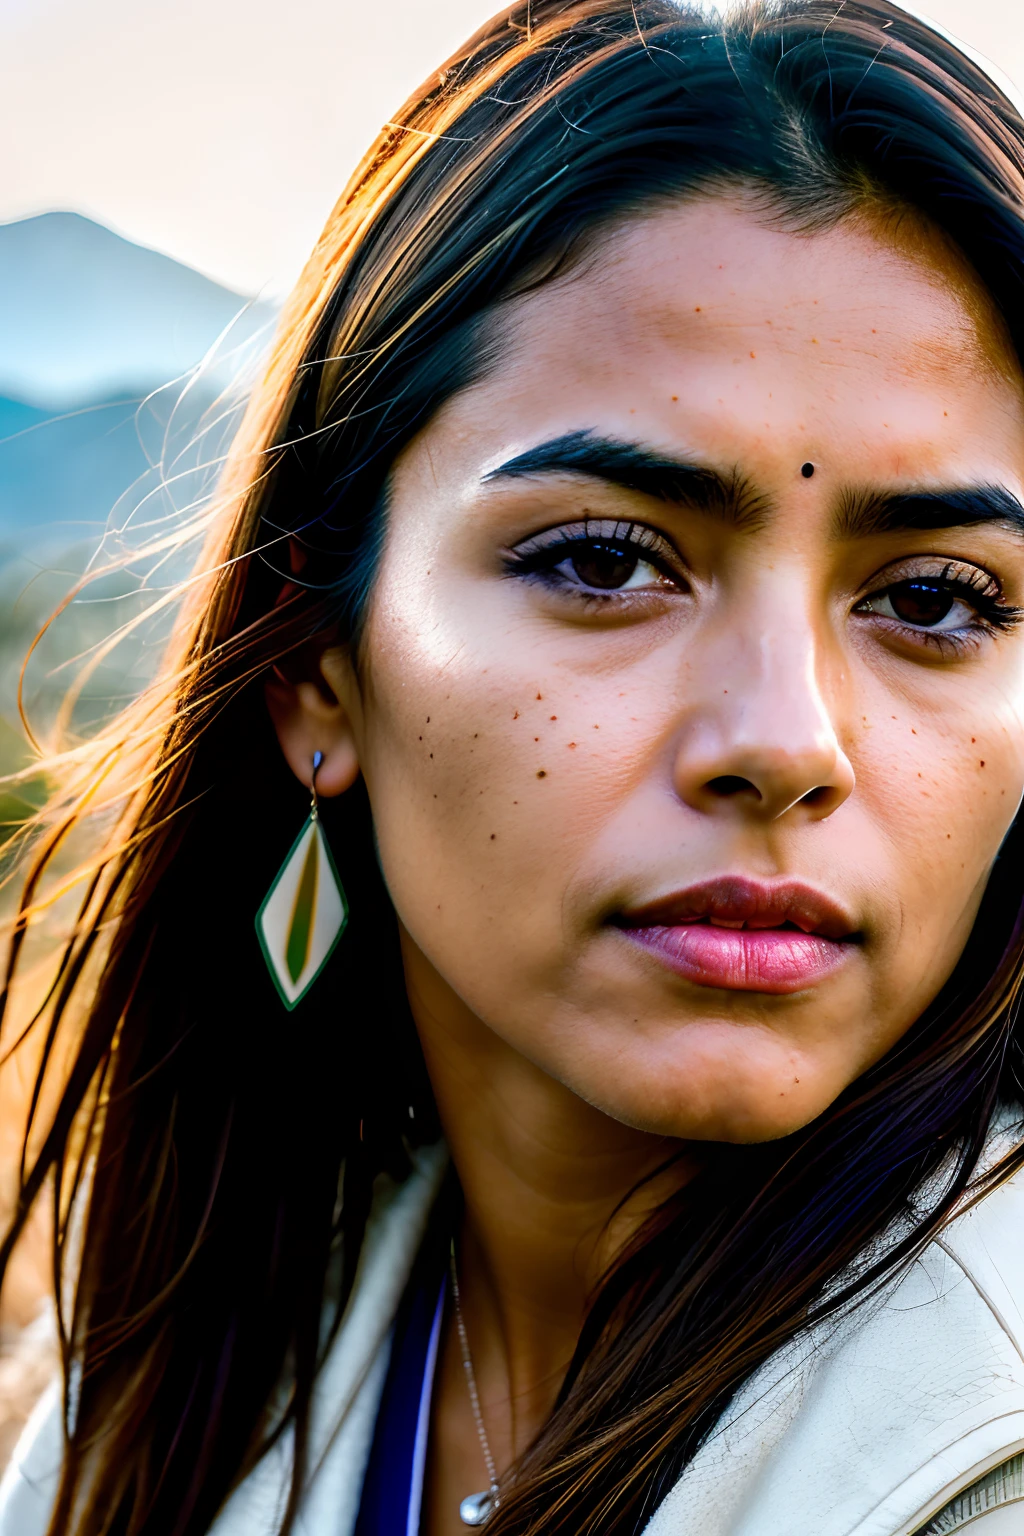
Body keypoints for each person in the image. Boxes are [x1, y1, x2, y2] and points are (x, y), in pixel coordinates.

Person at [2, 1, 1024, 1531]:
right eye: (610, 562)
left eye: (937, 600)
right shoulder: (168, 1386)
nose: (787, 742)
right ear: (312, 673)